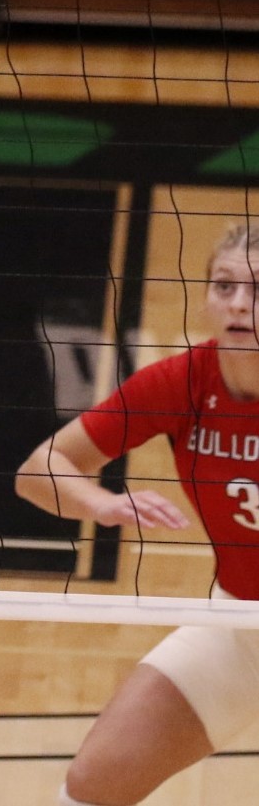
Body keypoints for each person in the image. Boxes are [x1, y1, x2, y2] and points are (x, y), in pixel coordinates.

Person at [17, 223, 259, 806]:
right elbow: (38, 472)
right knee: (91, 787)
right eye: (225, 286)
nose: (241, 304)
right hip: (241, 628)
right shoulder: (180, 382)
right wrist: (99, 502)